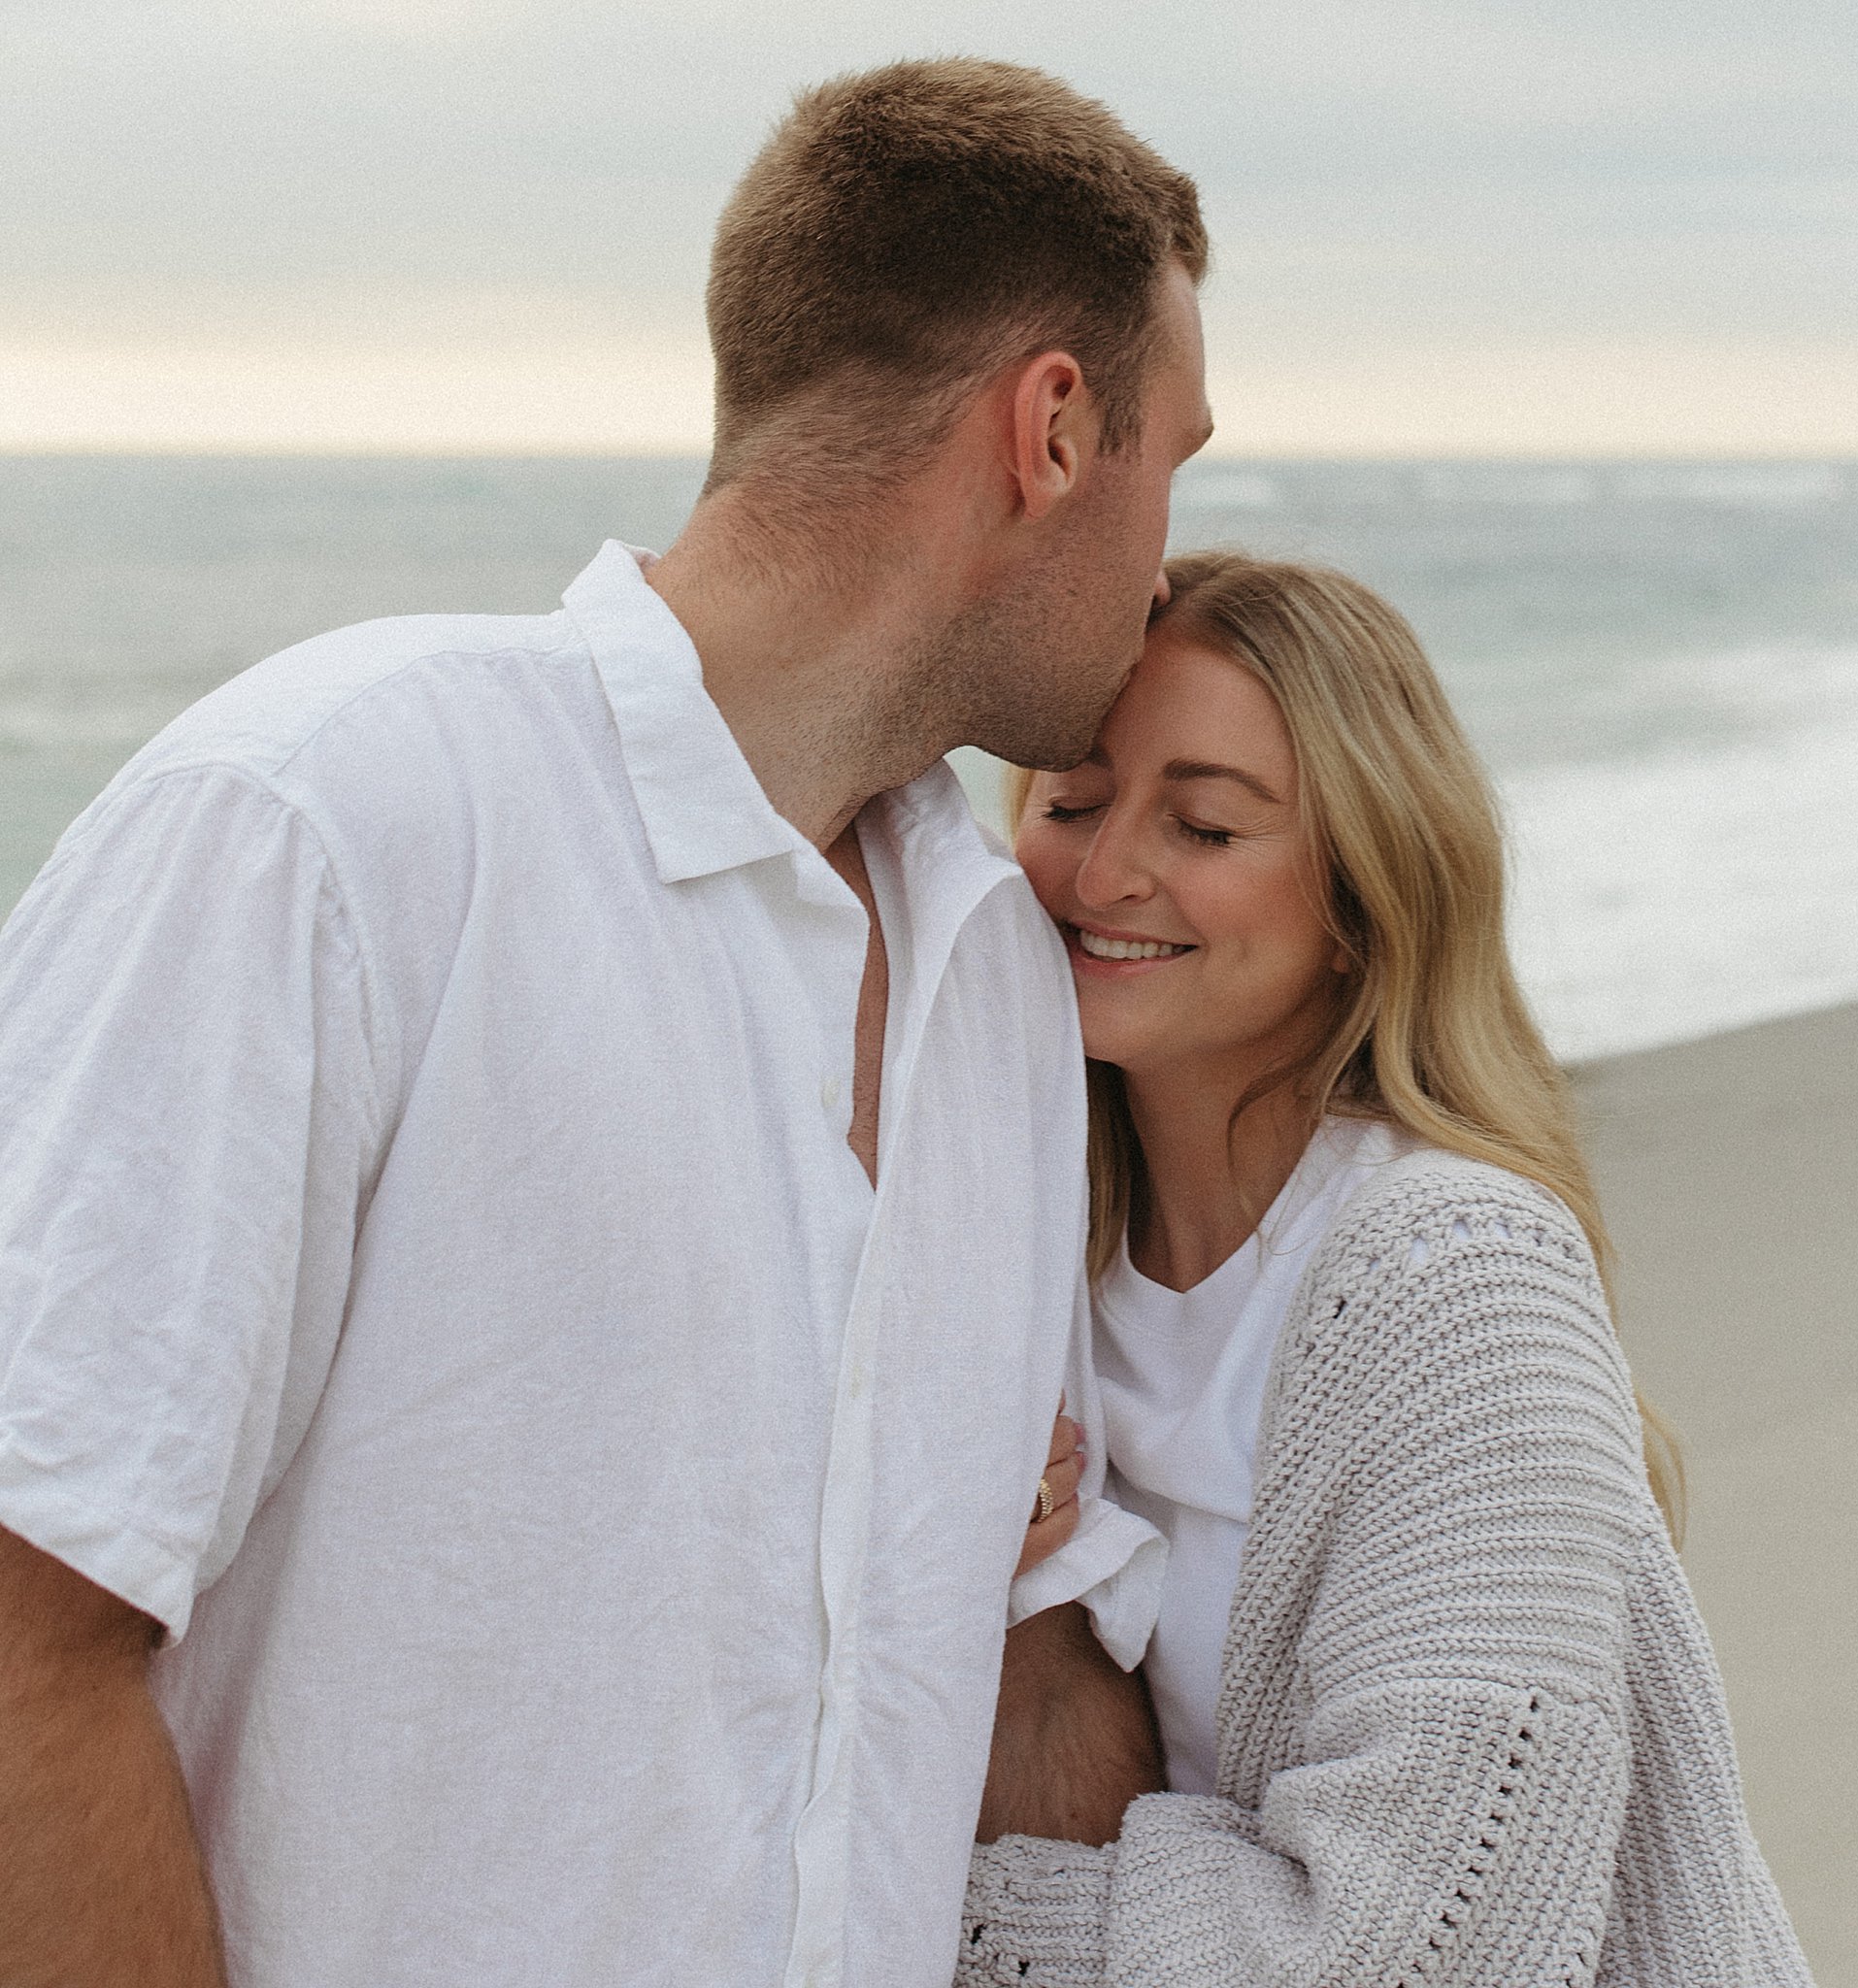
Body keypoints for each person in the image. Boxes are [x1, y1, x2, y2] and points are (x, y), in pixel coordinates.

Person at [0, 60, 1211, 1988]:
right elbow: (25, 1639)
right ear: (1053, 427)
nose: (1163, 566)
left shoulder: (1001, 978)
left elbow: (1024, 1683)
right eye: (1180, 458)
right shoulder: (329, 824)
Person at [960, 553, 1815, 1985]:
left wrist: (937, 1919)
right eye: (1073, 800)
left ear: (1361, 896)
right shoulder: (1016, 1251)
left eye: (1208, 826)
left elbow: (1429, 1951)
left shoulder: (1458, 1285)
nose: (1107, 874)